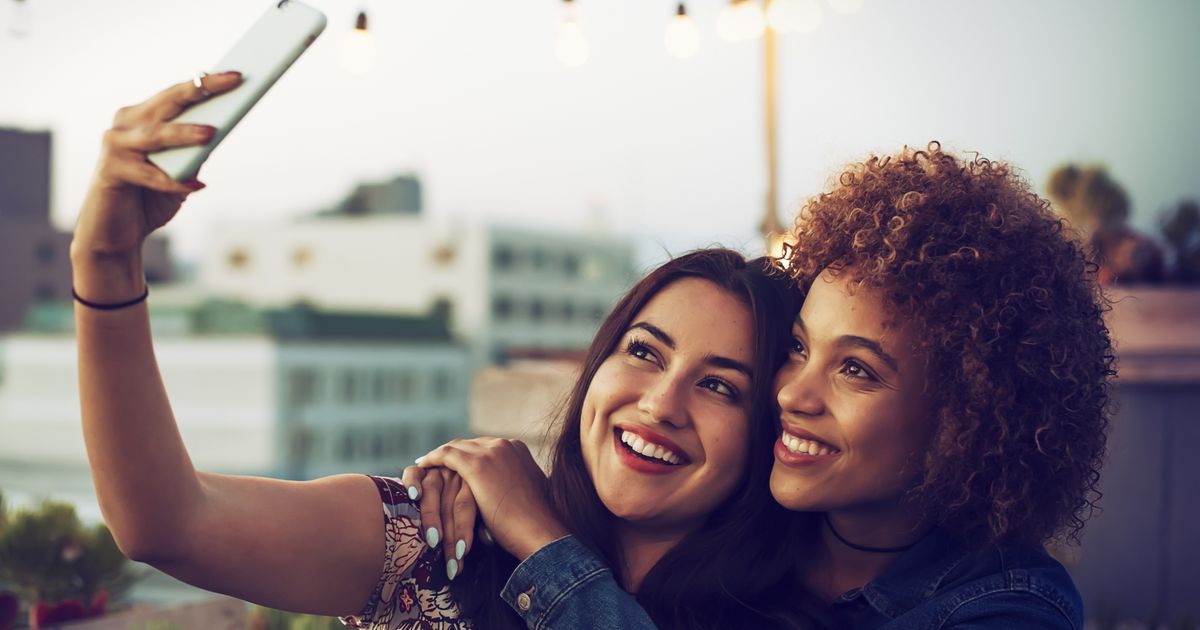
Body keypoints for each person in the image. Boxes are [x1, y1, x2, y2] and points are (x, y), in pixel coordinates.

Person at [70, 75, 819, 630]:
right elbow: (169, 523)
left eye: (721, 386)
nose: (661, 403)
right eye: (645, 352)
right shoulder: (445, 538)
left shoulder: (805, 613)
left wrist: (544, 542)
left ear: (769, 431)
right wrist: (106, 263)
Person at [418, 143, 1112, 629]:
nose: (791, 395)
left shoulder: (1004, 606)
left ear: (968, 419)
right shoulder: (746, 527)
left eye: (856, 370)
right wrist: (480, 494)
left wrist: (546, 548)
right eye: (799, 349)